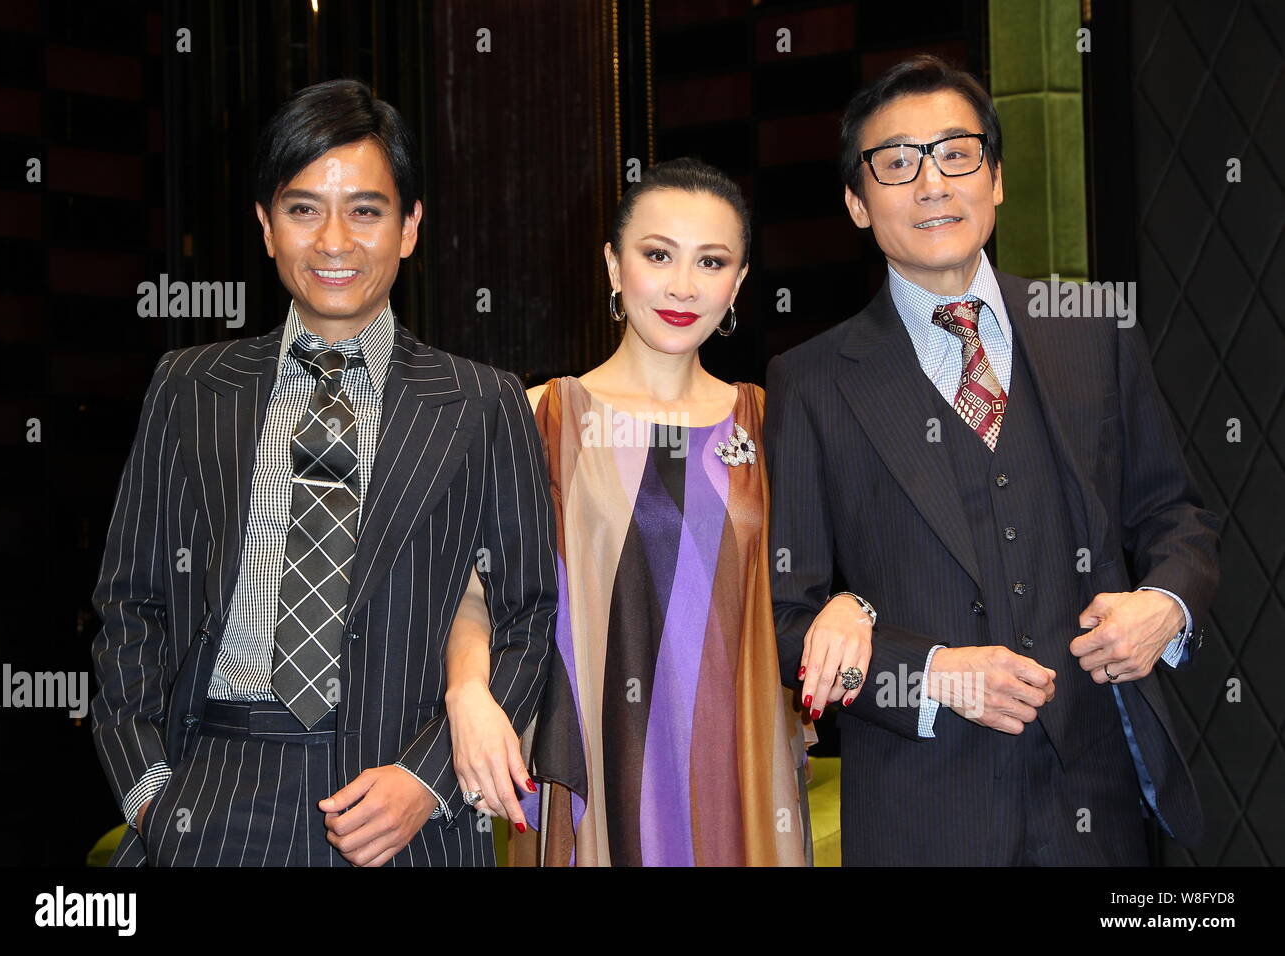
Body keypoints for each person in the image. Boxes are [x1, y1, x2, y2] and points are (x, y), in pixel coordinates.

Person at [765, 55, 1220, 866]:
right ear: (857, 204)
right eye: (897, 163)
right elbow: (784, 622)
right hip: (924, 815)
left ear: (998, 179)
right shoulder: (809, 382)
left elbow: (1174, 516)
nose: (932, 182)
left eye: (957, 153)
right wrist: (930, 674)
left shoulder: (1092, 327)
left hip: (1102, 802)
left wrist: (1164, 604)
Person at [89, 78, 556, 867]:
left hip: (403, 805)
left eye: (366, 211)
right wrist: (147, 790)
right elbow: (128, 601)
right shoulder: (189, 387)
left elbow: (528, 615)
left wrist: (432, 778)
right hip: (216, 790)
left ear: (409, 228)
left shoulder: (483, 402)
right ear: (267, 227)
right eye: (304, 209)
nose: (334, 240)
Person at [442, 158, 849, 866]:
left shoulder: (770, 421)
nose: (683, 286)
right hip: (596, 769)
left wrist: (852, 606)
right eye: (657, 255)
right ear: (612, 264)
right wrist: (468, 693)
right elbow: (474, 596)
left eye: (711, 262)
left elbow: (816, 584)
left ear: (739, 285)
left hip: (742, 778)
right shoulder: (543, 417)